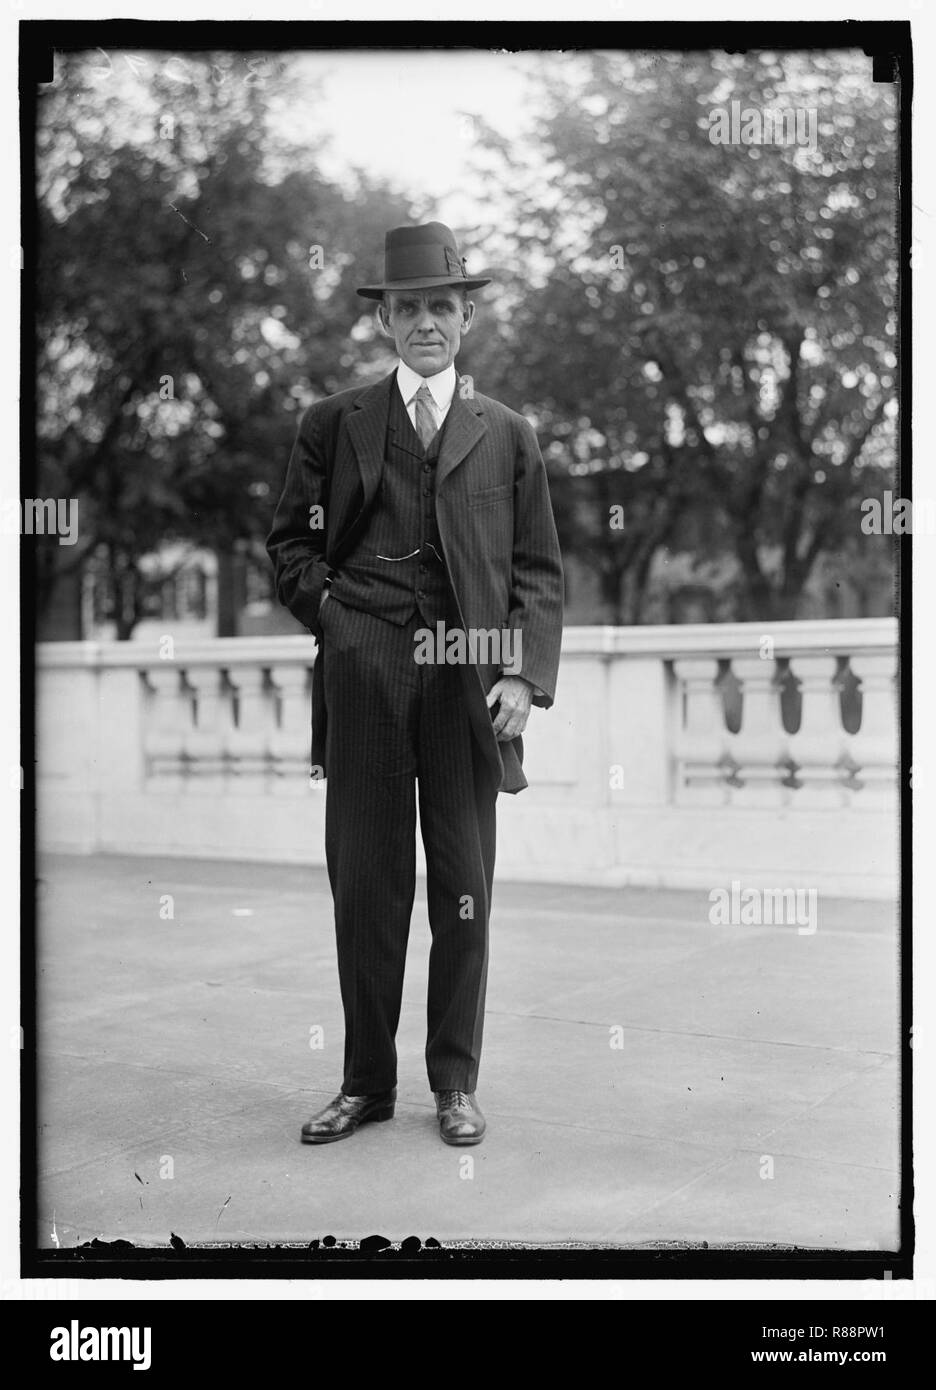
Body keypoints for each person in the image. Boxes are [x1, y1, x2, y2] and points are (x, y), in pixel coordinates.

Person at [266, 221, 563, 1147]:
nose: (426, 322)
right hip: (367, 676)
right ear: (386, 321)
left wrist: (521, 670)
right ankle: (366, 1085)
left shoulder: (507, 435)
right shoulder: (333, 423)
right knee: (367, 885)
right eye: (409, 308)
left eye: (442, 305)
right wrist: (341, 624)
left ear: (465, 316)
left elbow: (538, 570)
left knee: (464, 886)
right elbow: (290, 546)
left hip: (468, 686)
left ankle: (455, 1084)